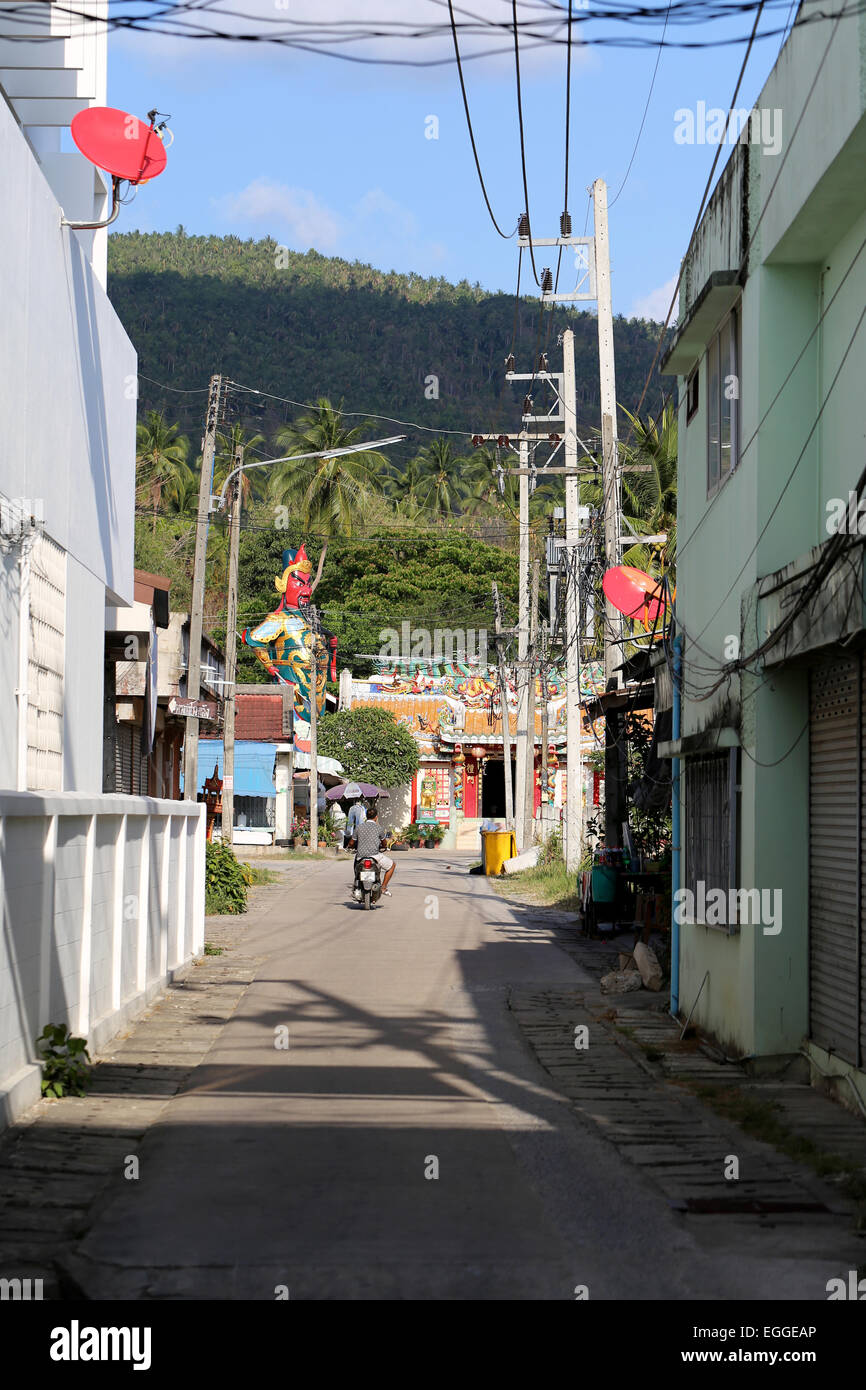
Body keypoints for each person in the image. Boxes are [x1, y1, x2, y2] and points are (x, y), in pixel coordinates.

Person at [351, 805, 395, 896]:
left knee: (356, 869)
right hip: (375, 856)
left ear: (366, 816)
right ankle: (383, 887)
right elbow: (384, 843)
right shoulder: (379, 828)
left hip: (360, 856)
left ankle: (357, 886)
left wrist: (349, 847)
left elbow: (352, 843)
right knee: (392, 866)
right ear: (376, 817)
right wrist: (384, 847)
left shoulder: (359, 827)